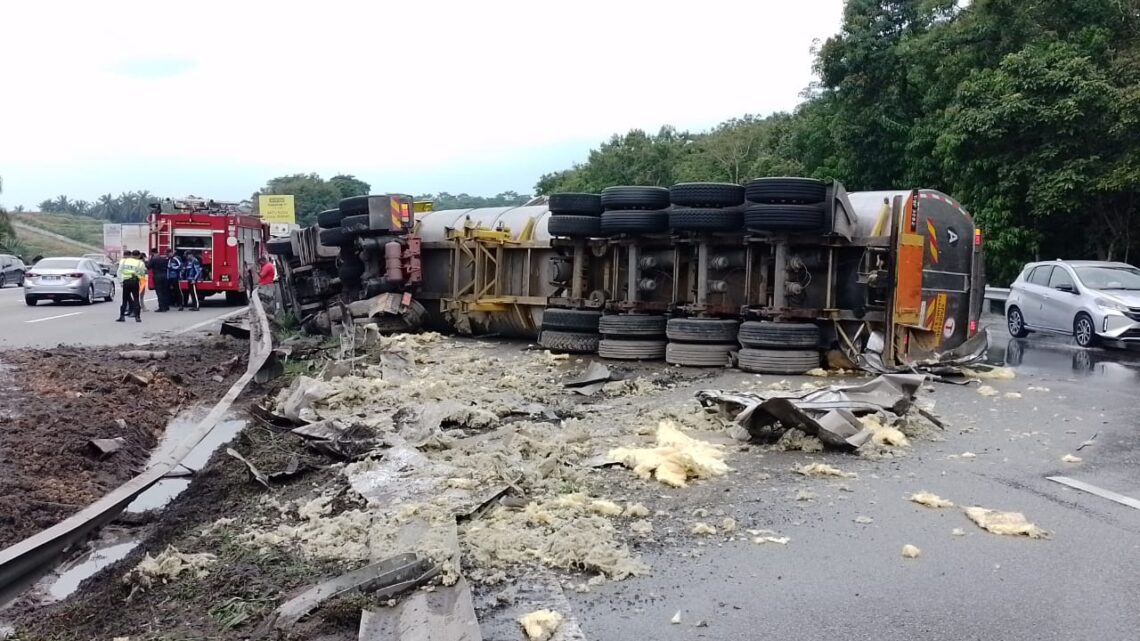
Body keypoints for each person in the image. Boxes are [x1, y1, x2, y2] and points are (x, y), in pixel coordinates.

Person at [116, 251, 146, 322]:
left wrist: (120, 281)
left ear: (132, 255)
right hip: (135, 282)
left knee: (124, 299)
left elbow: (119, 271)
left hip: (126, 282)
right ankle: (137, 317)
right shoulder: (140, 263)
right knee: (136, 298)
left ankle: (122, 316)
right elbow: (142, 273)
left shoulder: (124, 261)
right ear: (139, 256)